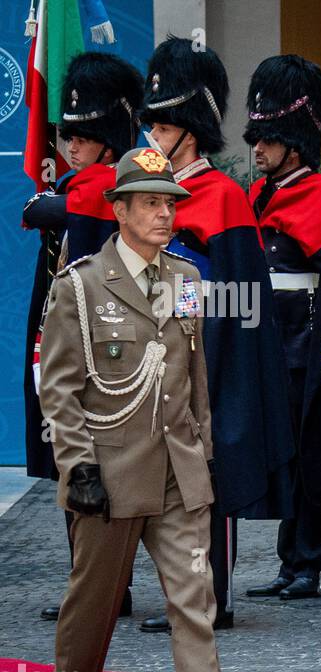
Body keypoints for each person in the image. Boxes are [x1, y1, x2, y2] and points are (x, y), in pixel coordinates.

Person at [39, 147, 266, 672]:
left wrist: (205, 454)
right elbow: (59, 388)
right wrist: (77, 466)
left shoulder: (186, 282)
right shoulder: (80, 287)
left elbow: (194, 379)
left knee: (195, 601)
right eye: (151, 203)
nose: (165, 214)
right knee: (94, 608)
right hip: (109, 477)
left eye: (170, 202)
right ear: (119, 210)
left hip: (177, 470)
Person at [137, 36, 296, 632]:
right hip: (157, 357)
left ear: (189, 133)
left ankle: (213, 598)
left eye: (160, 127)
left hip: (212, 357)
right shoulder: (152, 197)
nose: (151, 136)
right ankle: (184, 593)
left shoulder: (223, 197)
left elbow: (236, 297)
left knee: (206, 482)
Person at [23, 52, 142, 623]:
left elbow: (73, 213)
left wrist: (59, 206)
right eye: (68, 135)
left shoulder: (108, 187)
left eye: (84, 136)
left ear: (108, 140)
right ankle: (92, 583)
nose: (71, 145)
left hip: (100, 341)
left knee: (93, 462)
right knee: (70, 458)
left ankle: (102, 587)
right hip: (60, 332)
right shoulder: (78, 185)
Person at [243, 55, 321, 601]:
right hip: (270, 342)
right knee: (285, 454)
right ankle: (290, 562)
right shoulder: (261, 193)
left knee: (313, 453)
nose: (256, 148)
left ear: (295, 141)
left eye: (267, 139)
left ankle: (310, 564)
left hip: (311, 345)